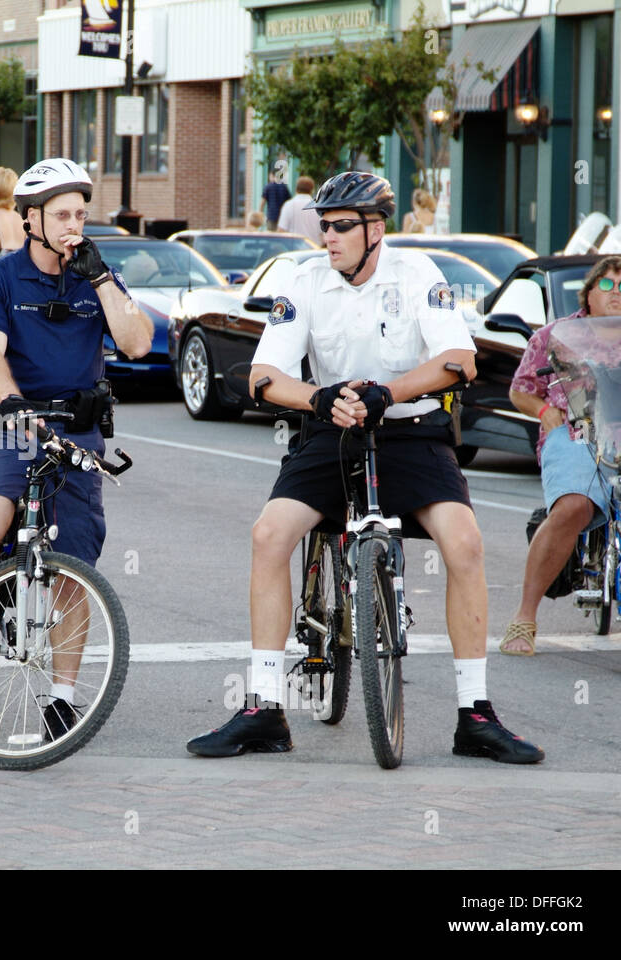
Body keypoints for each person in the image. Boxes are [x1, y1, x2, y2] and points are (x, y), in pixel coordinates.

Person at [183, 171, 543, 763]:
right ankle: (264, 710)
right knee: (269, 535)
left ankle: (475, 715)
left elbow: (459, 360)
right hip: (331, 431)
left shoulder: (418, 275)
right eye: (323, 225)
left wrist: (389, 392)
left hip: (410, 431)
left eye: (342, 226)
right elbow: (263, 375)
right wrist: (318, 398)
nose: (328, 237)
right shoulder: (303, 280)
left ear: (376, 230)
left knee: (466, 543)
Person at [0, 157, 152, 739]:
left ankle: (62, 698)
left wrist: (103, 278)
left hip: (76, 431)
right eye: (62, 215)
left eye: (81, 215)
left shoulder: (95, 273)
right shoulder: (0, 278)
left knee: (75, 567)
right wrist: (11, 402)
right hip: (9, 423)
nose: (74, 226)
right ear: (30, 219)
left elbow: (137, 344)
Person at [500, 256, 621, 655]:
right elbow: (520, 389)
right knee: (573, 506)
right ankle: (524, 618)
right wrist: (545, 413)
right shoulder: (555, 335)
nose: (615, 293)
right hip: (578, 432)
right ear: (589, 294)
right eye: (606, 285)